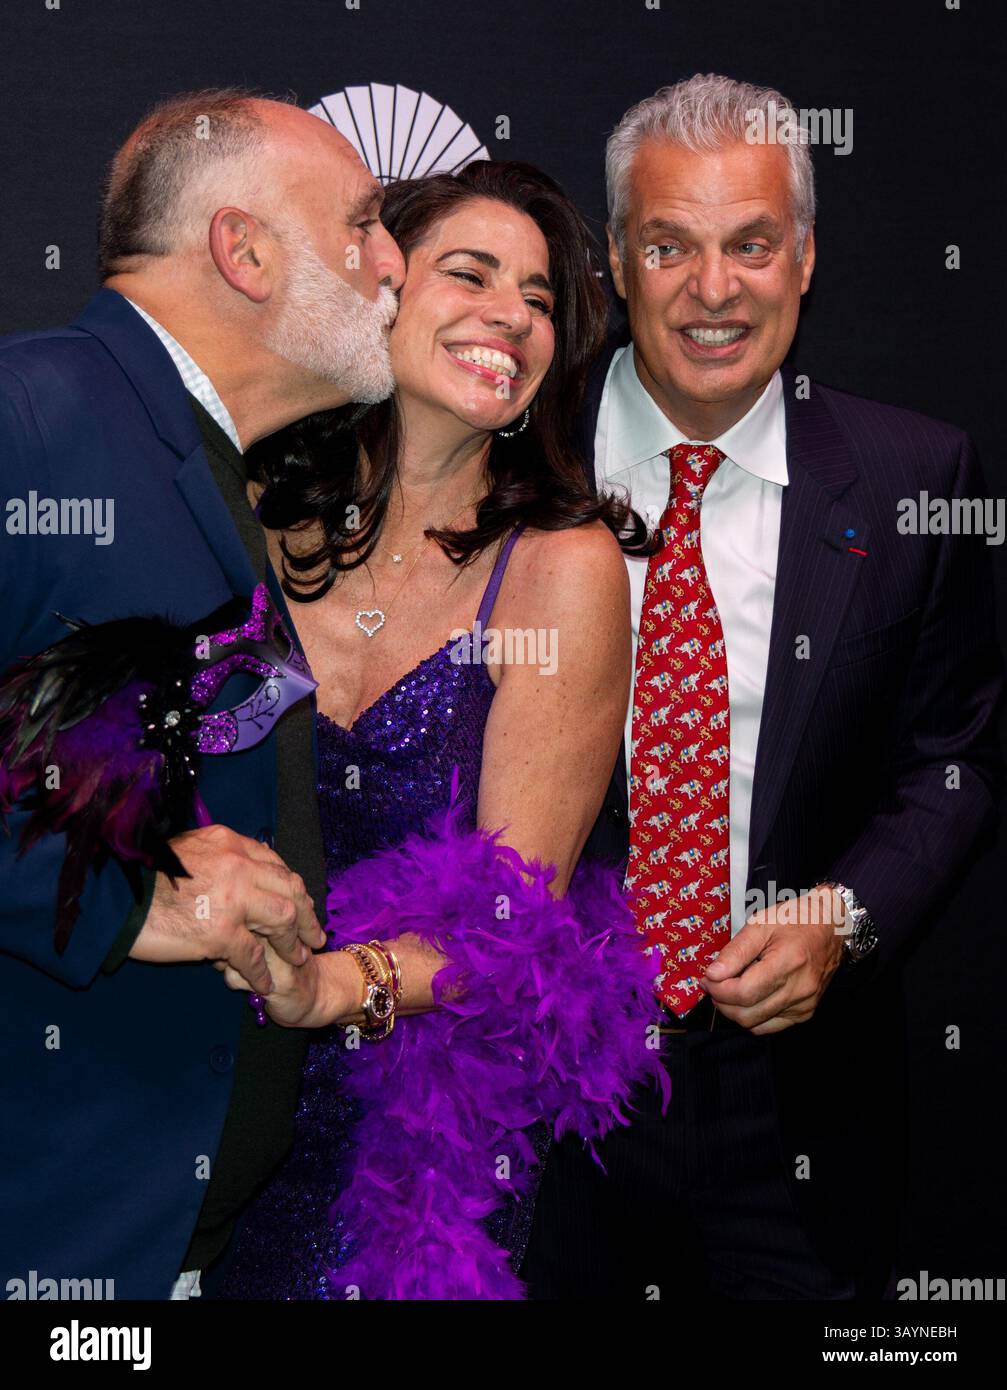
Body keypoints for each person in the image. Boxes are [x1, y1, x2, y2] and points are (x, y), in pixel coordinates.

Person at [520, 73, 1005, 1299]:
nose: (712, 288)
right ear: (615, 265)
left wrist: (840, 917)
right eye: (668, 245)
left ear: (801, 259)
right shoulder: (505, 470)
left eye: (750, 244)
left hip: (799, 1112)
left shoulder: (914, 479)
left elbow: (953, 761)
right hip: (539, 1094)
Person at [213, 160, 664, 1301]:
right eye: (471, 273)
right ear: (380, 284)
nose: (511, 316)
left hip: (418, 1140)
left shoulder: (561, 570)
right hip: (216, 1078)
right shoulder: (260, 520)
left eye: (540, 300)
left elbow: (517, 928)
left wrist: (323, 989)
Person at [0, 87, 407, 1300]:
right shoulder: (34, 417)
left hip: (166, 1243)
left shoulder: (197, 452)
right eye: (363, 225)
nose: (393, 262)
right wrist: (123, 897)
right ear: (242, 249)